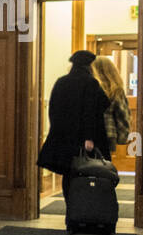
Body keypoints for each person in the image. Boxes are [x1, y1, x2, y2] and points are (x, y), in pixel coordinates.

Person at [36, 49, 111, 223]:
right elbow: (92, 111)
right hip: (84, 139)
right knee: (86, 175)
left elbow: (53, 110)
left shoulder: (61, 82)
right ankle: (84, 212)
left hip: (62, 137)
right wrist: (89, 137)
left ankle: (71, 211)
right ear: (89, 66)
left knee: (68, 175)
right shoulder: (90, 83)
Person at [92, 55, 132, 156]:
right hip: (105, 135)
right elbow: (122, 117)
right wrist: (122, 139)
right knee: (100, 166)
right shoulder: (115, 91)